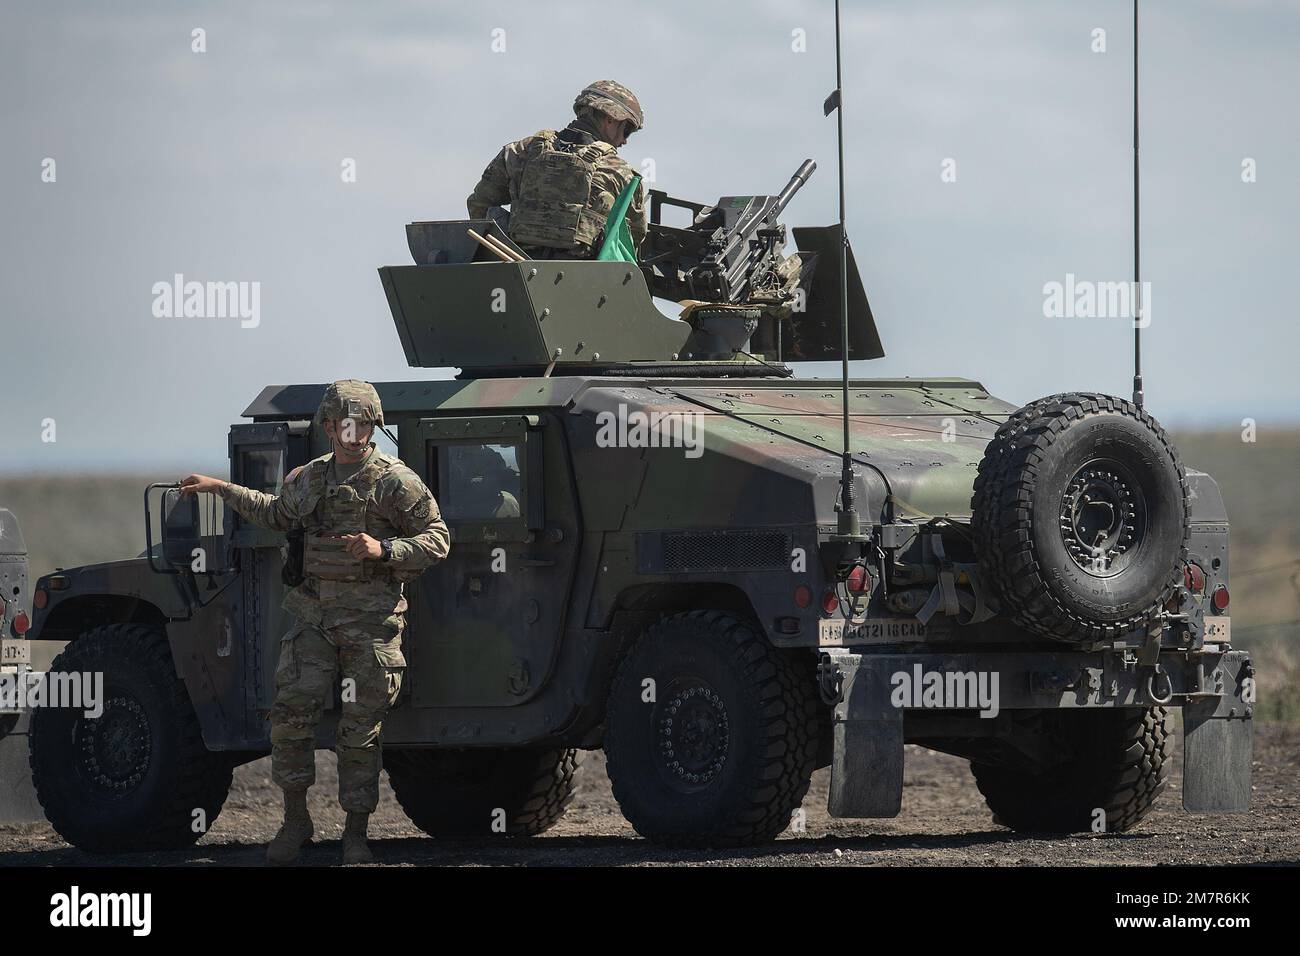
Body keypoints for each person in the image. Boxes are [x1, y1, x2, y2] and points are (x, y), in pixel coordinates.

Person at [181, 380, 450, 865]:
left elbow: (437, 538)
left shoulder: (395, 480)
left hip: (370, 626)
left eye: (364, 424)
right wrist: (222, 488)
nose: (354, 433)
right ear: (328, 426)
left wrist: (384, 549)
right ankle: (295, 820)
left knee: (359, 732)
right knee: (289, 719)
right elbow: (278, 514)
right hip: (314, 621)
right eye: (345, 424)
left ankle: (355, 835)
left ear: (373, 426)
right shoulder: (312, 478)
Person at [466, 80, 647, 260]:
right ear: (610, 119)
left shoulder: (518, 151)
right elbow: (632, 240)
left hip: (513, 273)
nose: (624, 141)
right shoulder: (620, 172)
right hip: (583, 283)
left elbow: (479, 205)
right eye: (627, 130)